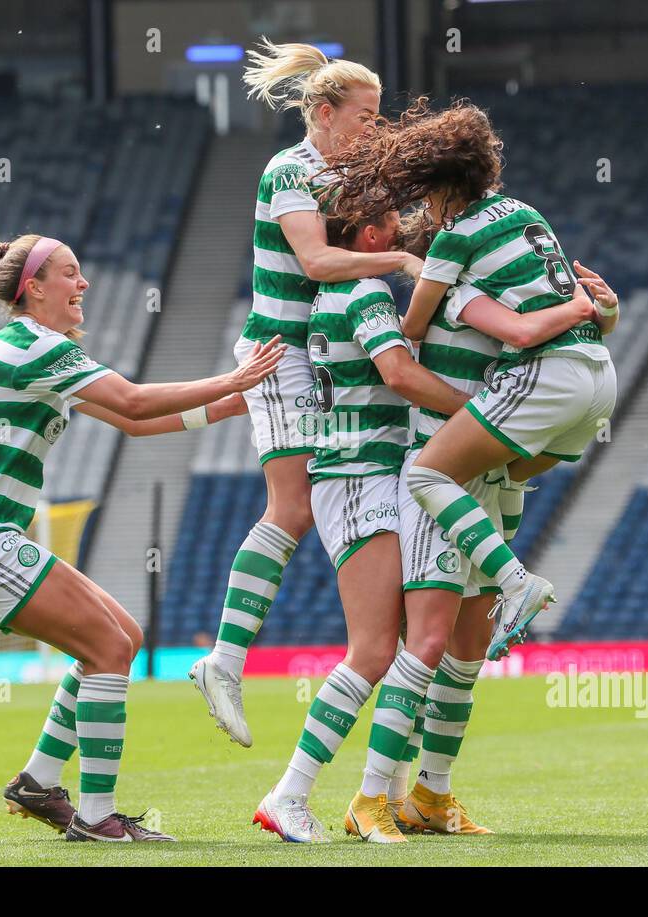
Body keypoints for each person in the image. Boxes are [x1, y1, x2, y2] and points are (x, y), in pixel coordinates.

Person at [0, 234, 283, 843]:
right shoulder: (32, 346)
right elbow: (135, 403)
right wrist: (235, 378)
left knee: (124, 639)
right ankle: (96, 817)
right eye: (70, 273)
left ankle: (39, 782)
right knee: (108, 652)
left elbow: (131, 424)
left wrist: (229, 405)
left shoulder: (32, 347)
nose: (83, 284)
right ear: (33, 288)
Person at [322, 98, 620, 661]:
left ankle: (514, 582)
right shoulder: (527, 213)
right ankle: (499, 596)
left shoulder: (454, 242)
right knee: (502, 474)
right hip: (599, 379)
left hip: (547, 377)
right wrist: (599, 310)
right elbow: (576, 307)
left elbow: (423, 325)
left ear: (435, 187)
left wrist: (414, 284)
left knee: (428, 473)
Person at [187, 40, 422, 749]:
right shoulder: (289, 171)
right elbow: (318, 261)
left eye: (379, 118)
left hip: (324, 353)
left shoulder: (346, 170)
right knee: (290, 508)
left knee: (318, 503)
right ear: (323, 112)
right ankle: (224, 661)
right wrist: (405, 259)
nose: (373, 129)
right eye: (365, 116)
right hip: (283, 353)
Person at [253, 210, 471, 843]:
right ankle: (288, 794)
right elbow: (398, 375)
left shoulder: (332, 291)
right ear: (371, 235)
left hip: (362, 471)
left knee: (402, 648)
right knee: (374, 650)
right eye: (395, 223)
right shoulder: (364, 288)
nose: (404, 233)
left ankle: (392, 796)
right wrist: (481, 417)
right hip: (357, 474)